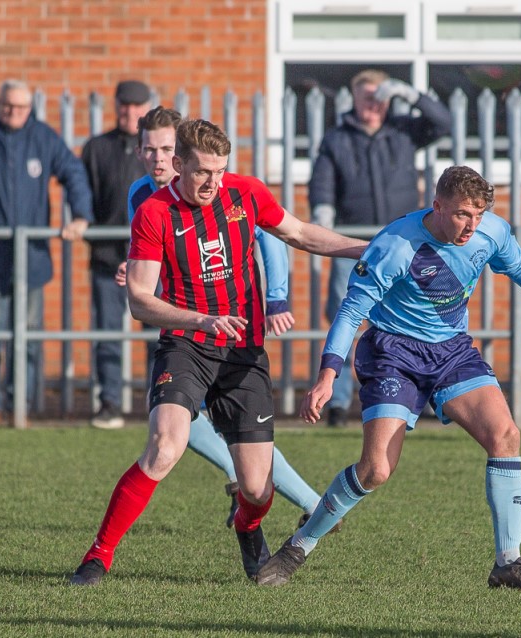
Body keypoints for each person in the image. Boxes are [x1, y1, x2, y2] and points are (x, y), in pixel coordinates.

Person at [254, 165, 521, 589]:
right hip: (393, 354)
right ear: (436, 206)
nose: (471, 226)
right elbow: (350, 312)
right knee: (376, 470)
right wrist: (328, 375)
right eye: (461, 215)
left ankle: (507, 563)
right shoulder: (395, 245)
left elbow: (518, 265)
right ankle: (299, 547)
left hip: (452, 351)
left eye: (478, 214)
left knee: (506, 436)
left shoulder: (490, 231)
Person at [70, 118, 367, 586]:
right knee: (164, 447)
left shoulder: (245, 193)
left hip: (242, 353)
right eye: (202, 172)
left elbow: (301, 234)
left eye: (220, 170)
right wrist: (200, 320)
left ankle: (248, 528)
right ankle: (97, 557)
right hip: (185, 346)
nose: (213, 182)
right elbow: (140, 300)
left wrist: (367, 250)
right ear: (179, 164)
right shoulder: (154, 212)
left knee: (257, 488)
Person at [116, 106, 338, 531]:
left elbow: (280, 235)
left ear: (178, 155)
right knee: (171, 426)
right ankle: (99, 554)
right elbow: (149, 269)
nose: (156, 158)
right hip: (184, 333)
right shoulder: (142, 199)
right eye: (148, 149)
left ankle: (304, 499)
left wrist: (276, 298)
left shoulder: (235, 192)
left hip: (237, 336)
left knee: (242, 444)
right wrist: (136, 271)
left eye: (164, 148)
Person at [308, 69, 451, 426]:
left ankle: (422, 393)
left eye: (380, 98)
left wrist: (410, 95)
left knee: (416, 316)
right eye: (366, 97)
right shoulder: (337, 139)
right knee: (346, 314)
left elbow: (444, 123)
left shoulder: (402, 131)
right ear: (354, 99)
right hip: (355, 243)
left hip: (404, 242)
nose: (373, 105)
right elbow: (322, 184)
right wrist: (323, 217)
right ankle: (337, 401)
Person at [0, 79, 92, 427]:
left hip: (31, 260)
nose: (13, 113)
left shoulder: (43, 138)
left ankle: (23, 403)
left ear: (29, 108)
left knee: (29, 333)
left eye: (20, 107)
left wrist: (80, 215)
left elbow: (73, 172)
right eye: (7, 106)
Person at [82, 80, 151, 429]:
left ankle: (161, 402)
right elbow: (83, 194)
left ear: (147, 108)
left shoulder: (156, 149)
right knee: (108, 333)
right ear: (116, 106)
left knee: (162, 334)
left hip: (154, 259)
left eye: (137, 106)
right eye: (125, 105)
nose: (130, 112)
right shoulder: (97, 148)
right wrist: (83, 220)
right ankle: (109, 402)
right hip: (108, 257)